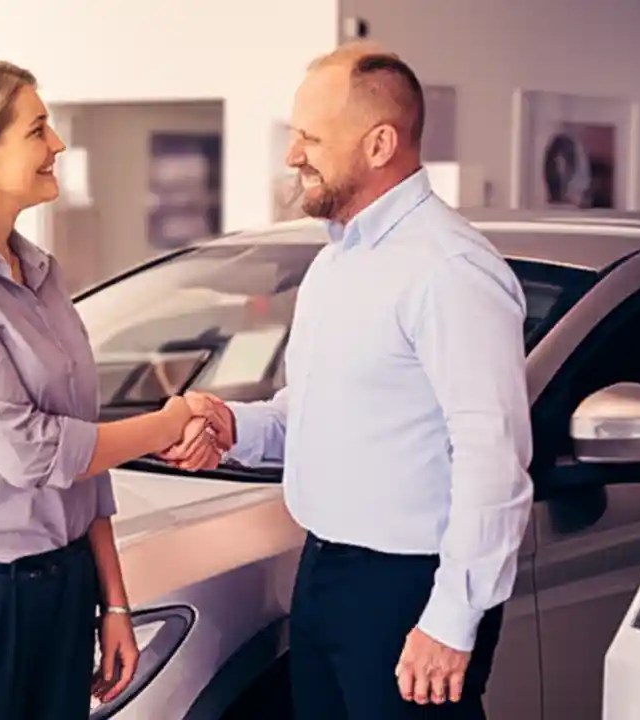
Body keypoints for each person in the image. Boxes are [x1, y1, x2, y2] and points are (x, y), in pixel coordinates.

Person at [162, 43, 533, 719]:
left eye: (310, 137)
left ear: (379, 143)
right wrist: (233, 427)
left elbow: (494, 458)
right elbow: (321, 414)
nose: (291, 155)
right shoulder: (337, 265)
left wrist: (452, 619)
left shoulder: (450, 269)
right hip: (324, 575)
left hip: (409, 588)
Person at [0, 60, 226, 720]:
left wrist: (112, 600)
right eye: (37, 129)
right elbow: (35, 453)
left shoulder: (38, 273)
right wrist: (169, 422)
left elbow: (80, 452)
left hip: (62, 589)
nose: (57, 145)